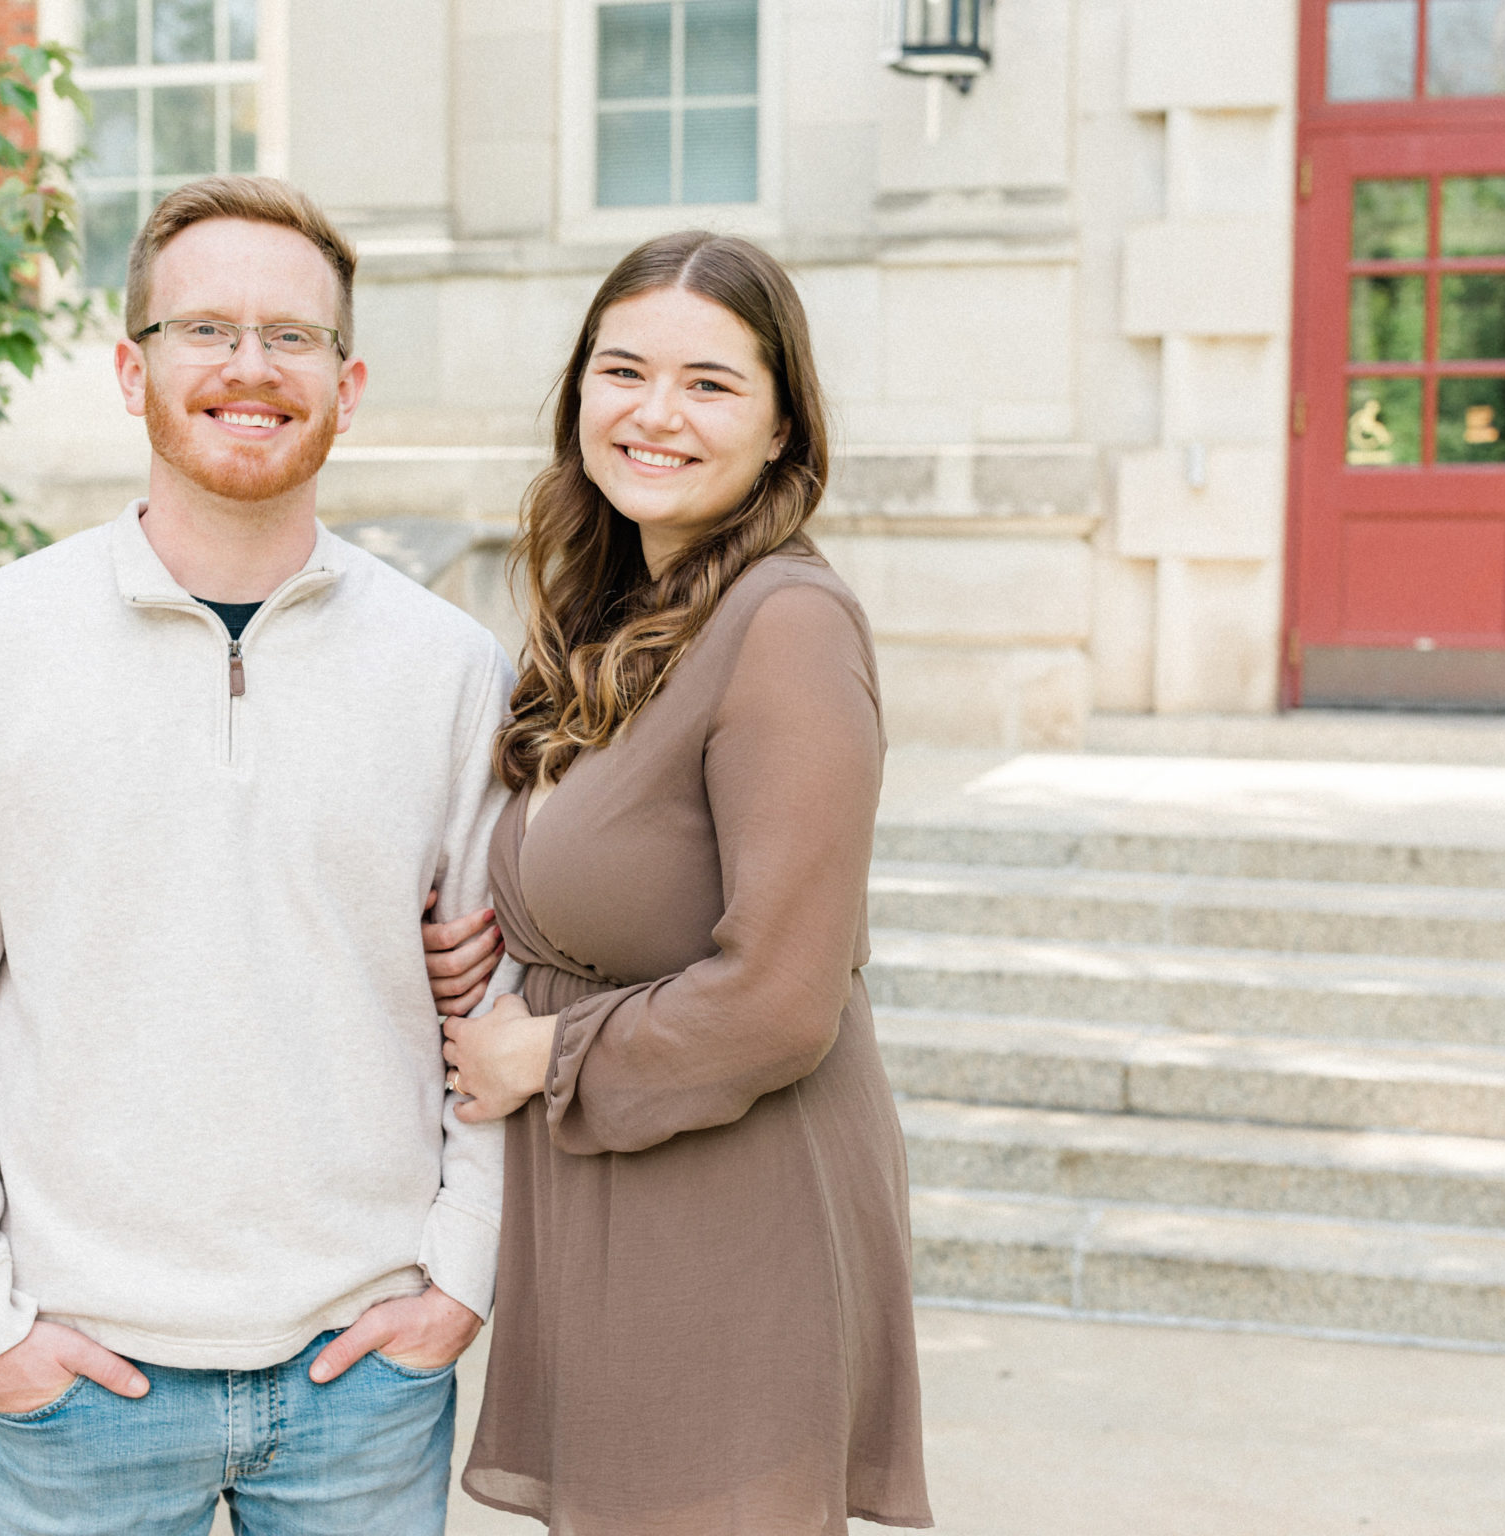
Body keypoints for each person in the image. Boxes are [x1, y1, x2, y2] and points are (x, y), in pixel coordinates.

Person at [0, 175, 517, 1536]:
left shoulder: (448, 667)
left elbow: (499, 1005)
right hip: (78, 1382)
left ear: (349, 379)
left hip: (364, 1378)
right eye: (205, 330)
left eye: (293, 337)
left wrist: (462, 1277)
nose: (250, 367)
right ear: (129, 368)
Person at [440, 230, 934, 1534]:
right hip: (618, 1213)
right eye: (623, 370)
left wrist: (541, 1049)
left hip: (736, 1210)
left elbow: (782, 997)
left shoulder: (785, 624)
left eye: (711, 383)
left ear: (782, 427)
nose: (656, 413)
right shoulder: (618, 620)